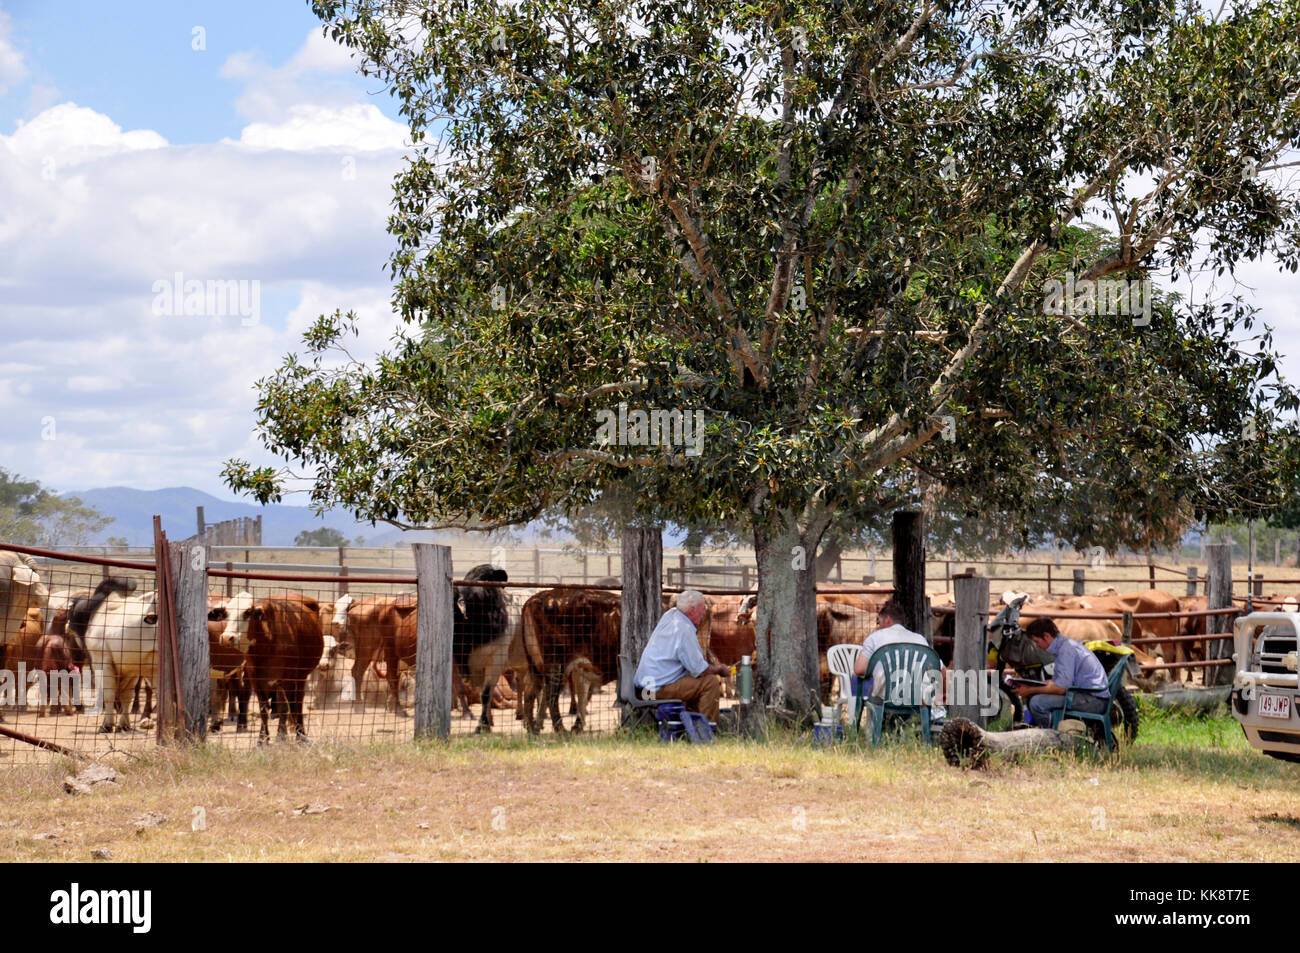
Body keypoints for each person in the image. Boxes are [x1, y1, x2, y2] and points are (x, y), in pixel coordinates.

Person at [634, 590, 730, 722]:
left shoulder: (670, 615)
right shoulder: (684, 629)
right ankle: (706, 727)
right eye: (702, 609)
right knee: (710, 682)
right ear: (692, 610)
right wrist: (719, 669)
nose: (704, 613)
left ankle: (690, 724)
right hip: (651, 692)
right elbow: (700, 670)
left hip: (643, 690)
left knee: (694, 682)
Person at [852, 601, 944, 719]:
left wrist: (876, 669)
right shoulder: (919, 639)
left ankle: (876, 728)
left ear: (887, 620)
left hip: (885, 697)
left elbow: (859, 670)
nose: (878, 626)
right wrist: (941, 695)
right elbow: (942, 670)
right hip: (916, 698)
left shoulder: (874, 638)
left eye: (879, 622)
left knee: (874, 690)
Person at [1011, 617, 1109, 723]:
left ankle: (1054, 732)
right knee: (1034, 697)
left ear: (1046, 636)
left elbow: (1061, 688)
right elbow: (1059, 682)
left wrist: (1030, 690)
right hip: (1086, 695)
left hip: (1093, 700)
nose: (1037, 646)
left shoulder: (1066, 650)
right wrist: (1031, 686)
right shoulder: (1064, 646)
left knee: (1037, 703)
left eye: (1037, 641)